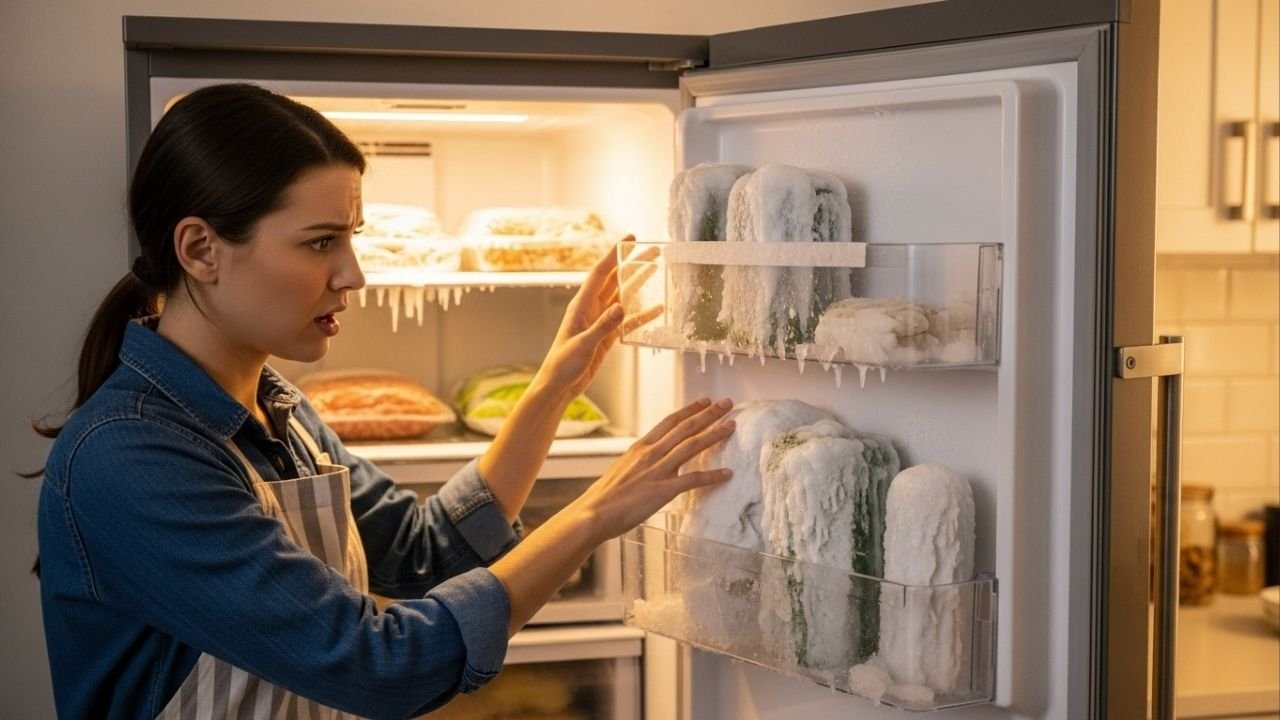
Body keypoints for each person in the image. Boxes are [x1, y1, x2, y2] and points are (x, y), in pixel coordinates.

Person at [34, 83, 735, 720]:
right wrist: (592, 515)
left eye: (351, 238)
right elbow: (378, 664)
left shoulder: (279, 412)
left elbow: (427, 553)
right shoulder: (131, 455)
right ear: (200, 249)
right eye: (320, 243)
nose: (354, 274)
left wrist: (552, 387)